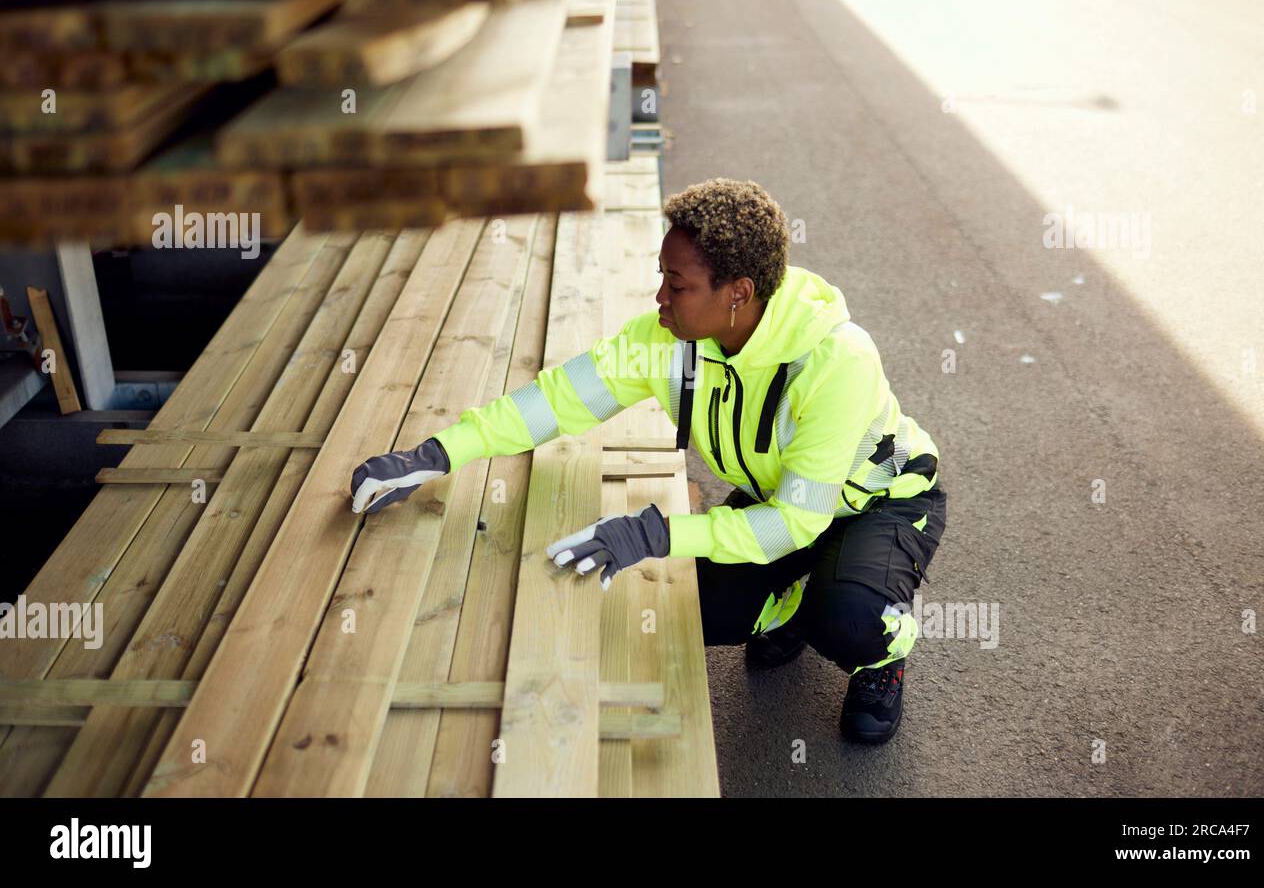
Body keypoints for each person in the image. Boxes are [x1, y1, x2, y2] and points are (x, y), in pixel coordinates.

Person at [349, 178, 947, 744]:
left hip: (879, 504)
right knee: (702, 612)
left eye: (677, 284)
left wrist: (651, 533)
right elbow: (558, 401)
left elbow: (797, 524)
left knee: (850, 618)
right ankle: (795, 602)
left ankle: (881, 655)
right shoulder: (669, 339)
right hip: (781, 500)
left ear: (738, 292)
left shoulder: (836, 361)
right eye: (662, 276)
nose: (660, 297)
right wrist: (439, 452)